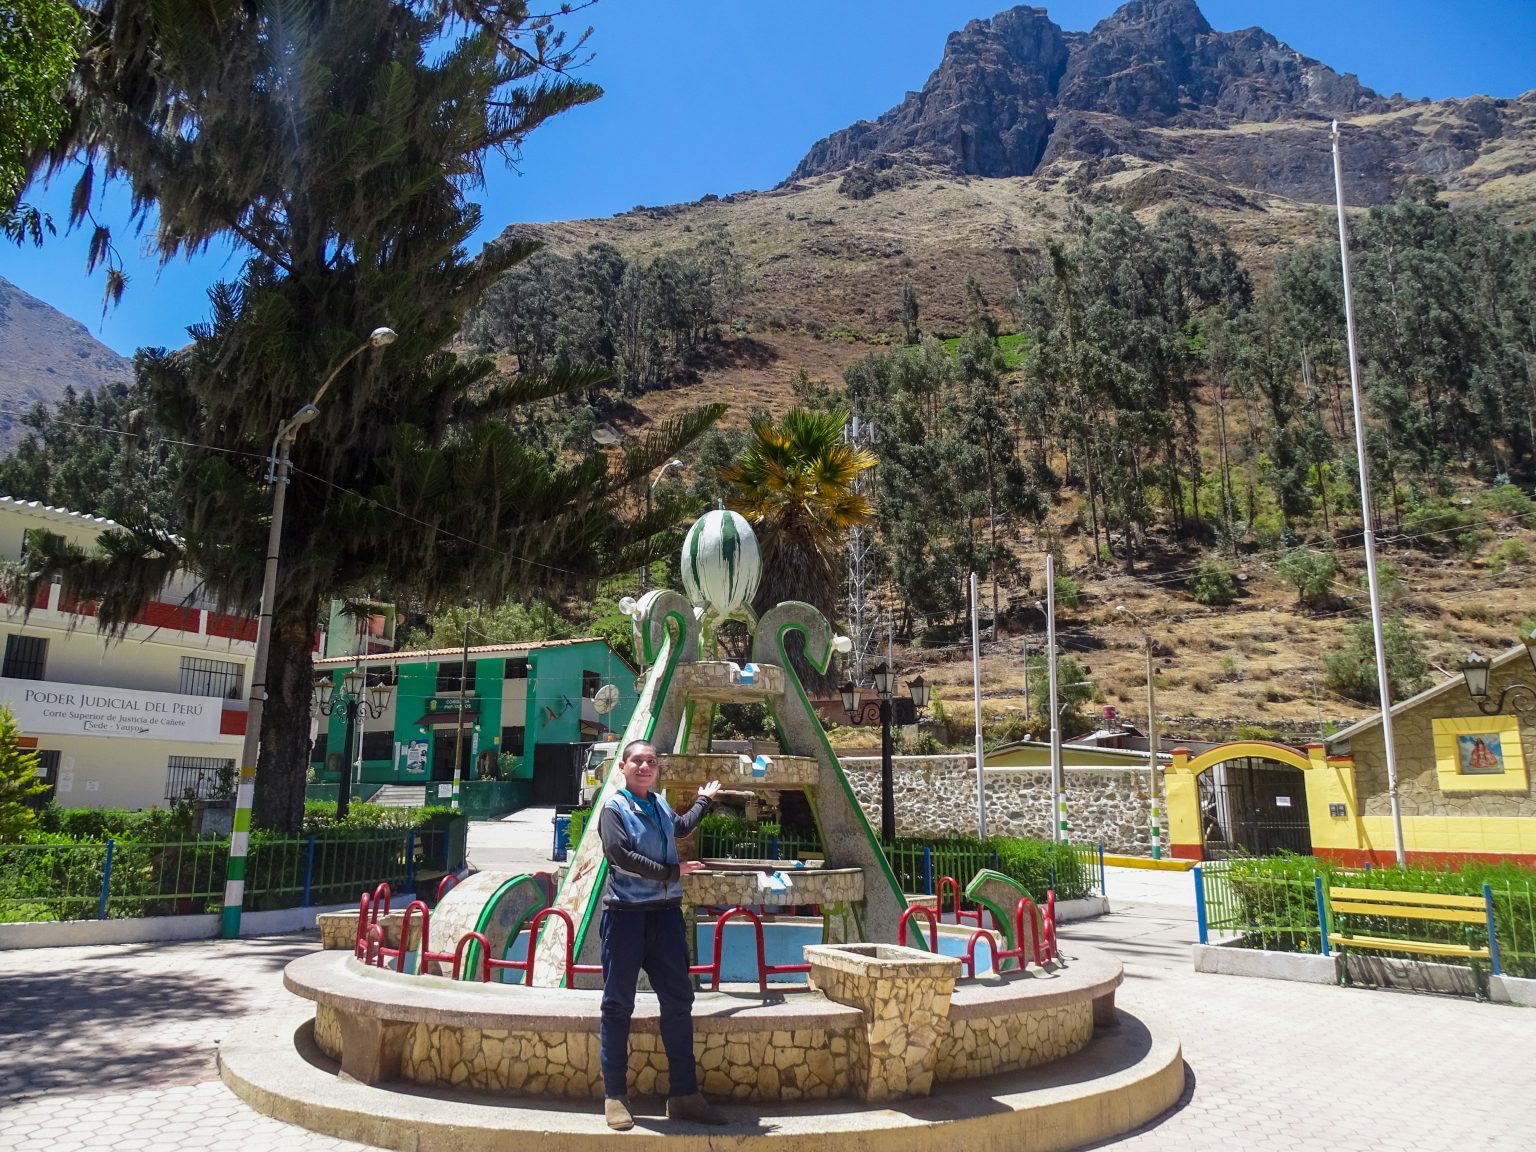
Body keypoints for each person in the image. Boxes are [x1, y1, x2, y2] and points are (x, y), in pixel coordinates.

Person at [597, 739, 727, 1130]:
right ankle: (615, 1095)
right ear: (622, 766)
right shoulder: (613, 809)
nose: (644, 766)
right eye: (637, 761)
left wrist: (704, 801)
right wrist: (675, 872)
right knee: (618, 1003)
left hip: (666, 917)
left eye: (651, 761)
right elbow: (622, 857)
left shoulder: (658, 804)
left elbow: (680, 827)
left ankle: (684, 1094)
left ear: (657, 768)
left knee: (678, 1001)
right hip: (626, 918)